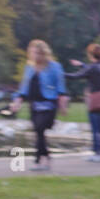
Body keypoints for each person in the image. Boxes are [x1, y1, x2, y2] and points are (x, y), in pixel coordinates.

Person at [11, 39, 68, 171]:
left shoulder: (54, 67)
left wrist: (63, 105)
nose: (34, 56)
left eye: (37, 53)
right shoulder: (29, 68)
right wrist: (17, 103)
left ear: (43, 53)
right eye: (32, 53)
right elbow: (23, 89)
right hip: (35, 106)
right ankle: (45, 159)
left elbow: (61, 88)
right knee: (38, 131)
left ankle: (39, 160)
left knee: (40, 129)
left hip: (49, 105)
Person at [65, 43, 100, 162]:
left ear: (90, 55)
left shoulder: (91, 68)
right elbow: (93, 70)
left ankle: (97, 152)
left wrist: (60, 74)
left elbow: (76, 76)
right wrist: (82, 64)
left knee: (95, 127)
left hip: (95, 100)